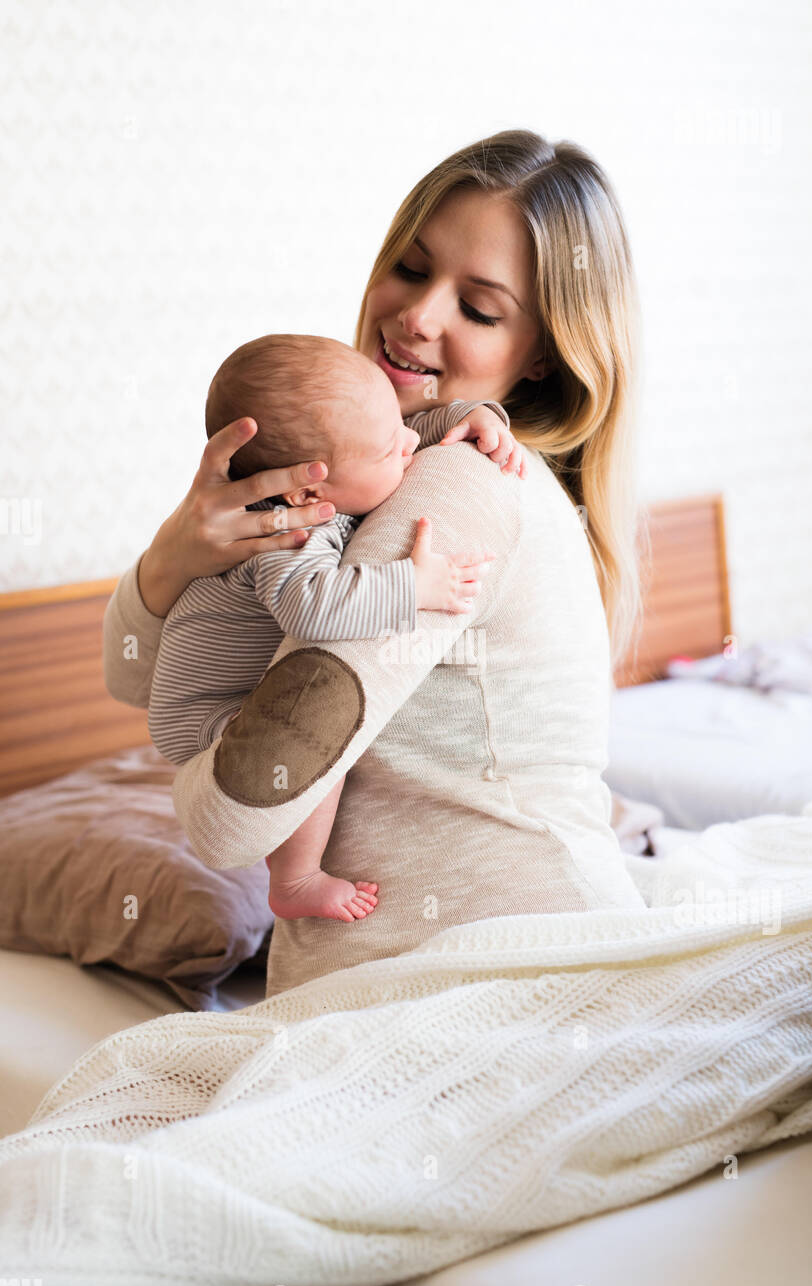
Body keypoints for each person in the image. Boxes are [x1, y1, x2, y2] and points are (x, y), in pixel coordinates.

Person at [103, 128, 649, 997]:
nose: (418, 317)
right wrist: (178, 550)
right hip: (407, 969)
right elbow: (134, 676)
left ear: (542, 350)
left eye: (477, 308)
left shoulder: (455, 487)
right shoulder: (367, 467)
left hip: (483, 977)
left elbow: (230, 816)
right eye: (409, 267)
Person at [147, 331, 524, 923]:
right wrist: (416, 586)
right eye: (388, 449)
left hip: (222, 687)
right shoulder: (281, 535)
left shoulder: (344, 466)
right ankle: (293, 880)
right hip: (204, 709)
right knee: (319, 742)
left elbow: (389, 435)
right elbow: (314, 610)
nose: (408, 442)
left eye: (402, 426)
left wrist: (468, 417)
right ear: (308, 492)